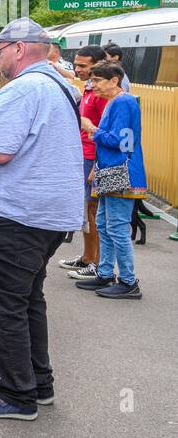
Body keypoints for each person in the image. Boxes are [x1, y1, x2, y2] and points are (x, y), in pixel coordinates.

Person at [0, 17, 83, 420]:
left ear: (19, 49)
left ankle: (16, 395)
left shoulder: (24, 89)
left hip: (3, 219)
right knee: (25, 300)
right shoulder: (60, 86)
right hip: (38, 218)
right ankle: (37, 383)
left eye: (1, 49)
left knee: (0, 302)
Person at [76, 62, 146, 299]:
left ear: (114, 81)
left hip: (121, 173)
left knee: (116, 227)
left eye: (96, 80)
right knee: (105, 224)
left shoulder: (123, 102)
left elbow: (123, 141)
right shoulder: (116, 102)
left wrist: (93, 129)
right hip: (111, 171)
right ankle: (106, 273)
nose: (91, 84)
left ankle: (128, 280)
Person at [59, 45, 107, 279]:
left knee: (93, 211)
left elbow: (104, 130)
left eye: (82, 66)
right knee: (87, 210)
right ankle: (87, 257)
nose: (77, 69)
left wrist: (97, 164)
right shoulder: (89, 89)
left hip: (92, 156)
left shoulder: (102, 95)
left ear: (98, 64)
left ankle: (97, 263)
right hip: (84, 153)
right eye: (76, 65)